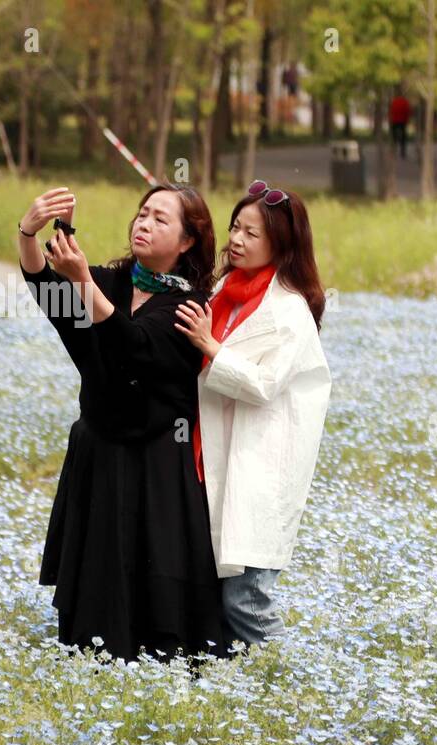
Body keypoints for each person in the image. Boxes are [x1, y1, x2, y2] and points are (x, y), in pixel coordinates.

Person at [16, 183, 232, 666]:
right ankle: (89, 658)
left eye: (160, 219)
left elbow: (132, 344)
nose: (144, 223)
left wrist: (82, 284)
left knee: (151, 572)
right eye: (142, 213)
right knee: (96, 570)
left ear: (187, 241)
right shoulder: (110, 281)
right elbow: (49, 292)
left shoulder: (190, 304)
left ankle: (156, 674)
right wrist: (29, 233)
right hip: (99, 449)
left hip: (154, 458)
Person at [171, 180, 330, 651]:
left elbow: (263, 385)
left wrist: (208, 345)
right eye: (235, 228)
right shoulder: (225, 290)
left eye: (251, 233)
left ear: (281, 244)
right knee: (219, 589)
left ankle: (288, 679)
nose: (236, 240)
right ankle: (243, 682)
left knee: (246, 597)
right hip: (215, 453)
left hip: (261, 465)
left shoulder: (289, 312)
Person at [389, 91, 411, 159]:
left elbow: (391, 111)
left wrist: (391, 118)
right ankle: (403, 152)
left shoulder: (394, 101)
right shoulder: (405, 102)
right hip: (403, 121)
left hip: (395, 120)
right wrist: (407, 119)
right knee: (403, 137)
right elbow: (408, 111)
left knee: (394, 135)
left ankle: (393, 150)